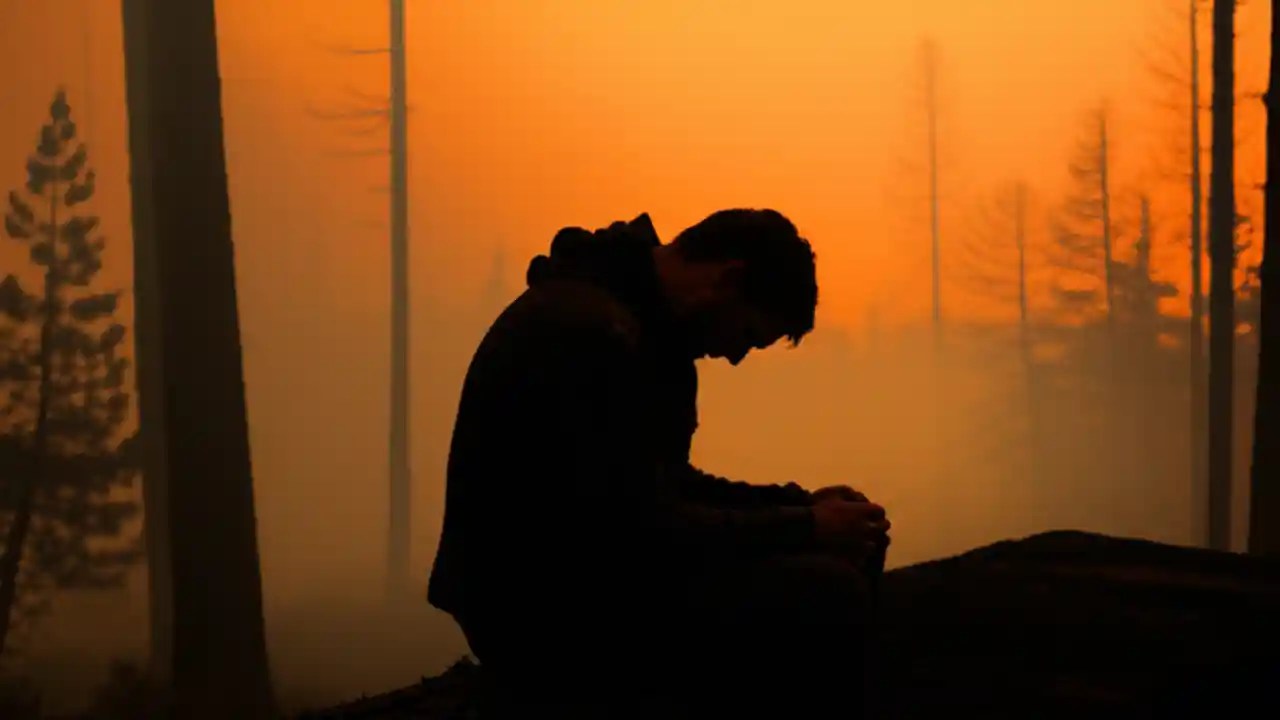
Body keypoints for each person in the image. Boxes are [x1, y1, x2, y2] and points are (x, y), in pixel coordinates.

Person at [428, 210, 891, 718]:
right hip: (542, 611)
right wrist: (804, 526)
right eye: (748, 335)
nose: (736, 356)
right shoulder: (589, 334)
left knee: (847, 554)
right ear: (729, 279)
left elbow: (660, 487)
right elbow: (635, 527)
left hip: (596, 577)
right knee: (828, 595)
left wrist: (801, 507)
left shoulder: (641, 331)